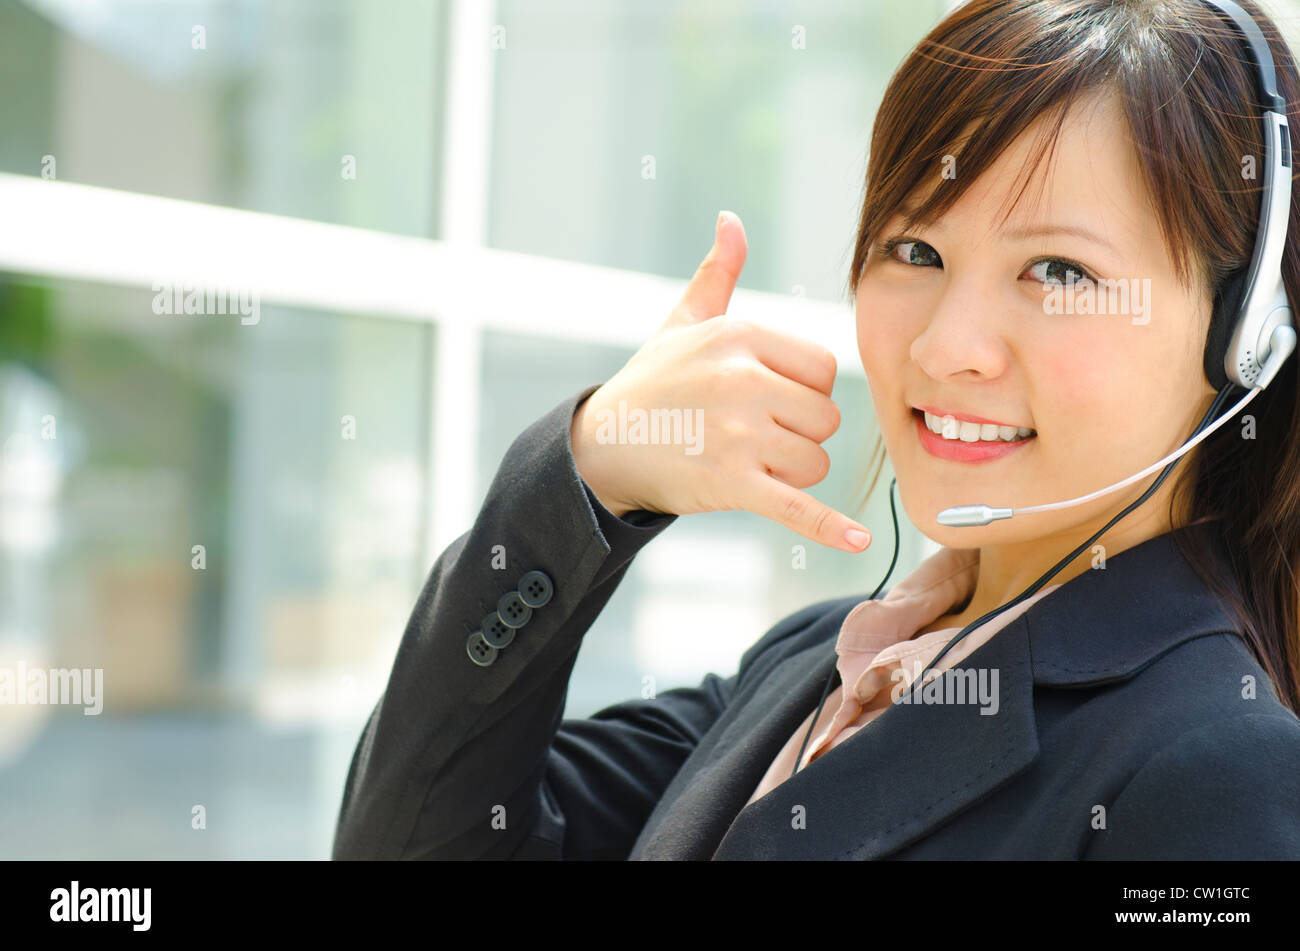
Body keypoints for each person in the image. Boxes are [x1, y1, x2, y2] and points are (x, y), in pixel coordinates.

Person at [332, 0, 1300, 860]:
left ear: (1240, 334)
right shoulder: (817, 666)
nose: (945, 345)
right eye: (915, 250)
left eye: (1057, 272)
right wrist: (588, 477)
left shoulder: (1219, 766)